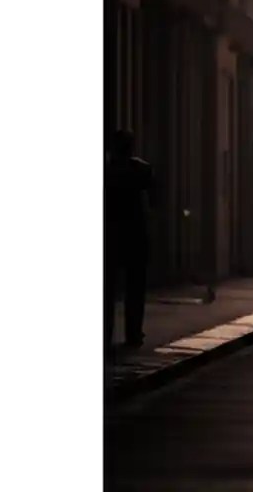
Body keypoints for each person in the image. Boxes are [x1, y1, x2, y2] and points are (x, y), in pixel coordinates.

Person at [105, 130, 156, 352]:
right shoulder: (142, 169)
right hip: (136, 235)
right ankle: (133, 333)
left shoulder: (107, 171)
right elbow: (155, 199)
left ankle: (104, 333)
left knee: (106, 289)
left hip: (111, 234)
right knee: (135, 289)